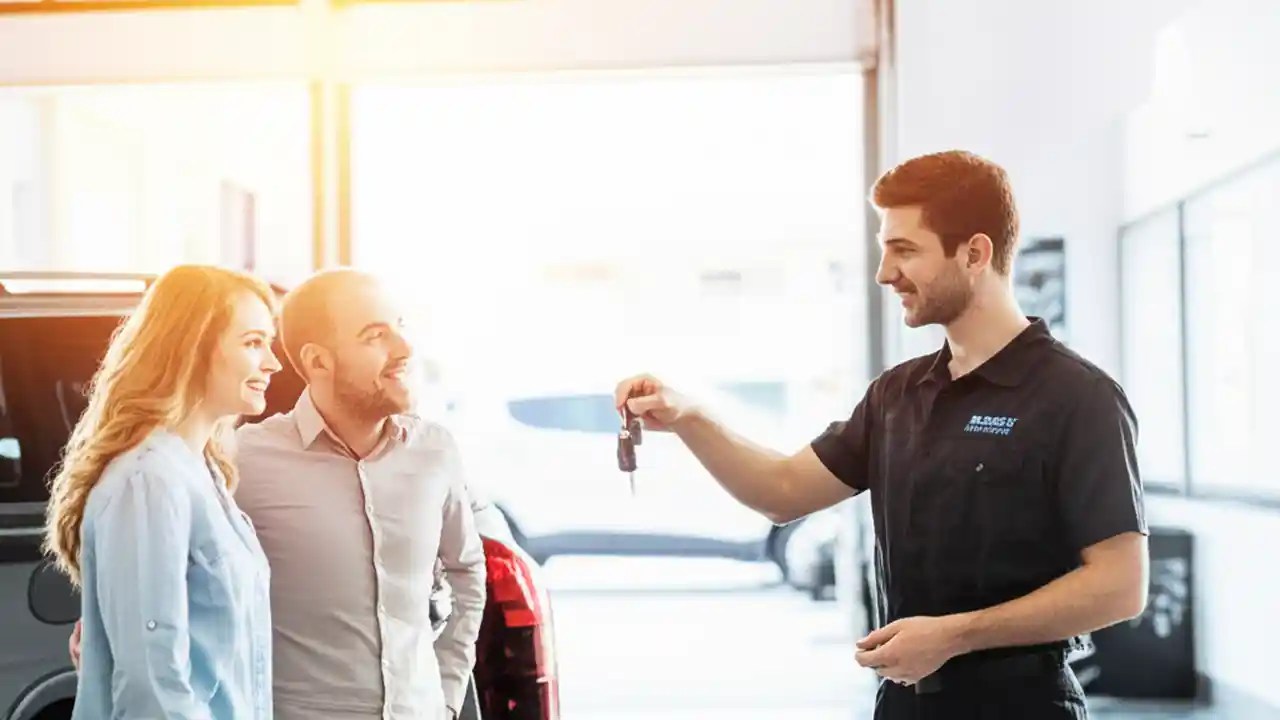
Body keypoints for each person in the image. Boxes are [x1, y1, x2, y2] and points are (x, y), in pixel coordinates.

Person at [614, 150, 1148, 719]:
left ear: (975, 253)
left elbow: (1120, 585)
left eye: (905, 250)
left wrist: (954, 636)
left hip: (1022, 705)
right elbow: (781, 492)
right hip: (904, 704)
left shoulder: (1078, 397)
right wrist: (689, 416)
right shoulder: (897, 395)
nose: (884, 273)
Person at [232, 268, 486, 720]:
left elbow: (467, 572)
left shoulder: (435, 451)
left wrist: (446, 696)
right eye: (376, 336)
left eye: (401, 327)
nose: (404, 350)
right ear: (318, 362)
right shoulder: (244, 461)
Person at [45, 265, 282, 720]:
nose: (273, 362)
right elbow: (154, 685)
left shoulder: (203, 473)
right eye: (253, 343)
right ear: (193, 349)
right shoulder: (149, 480)